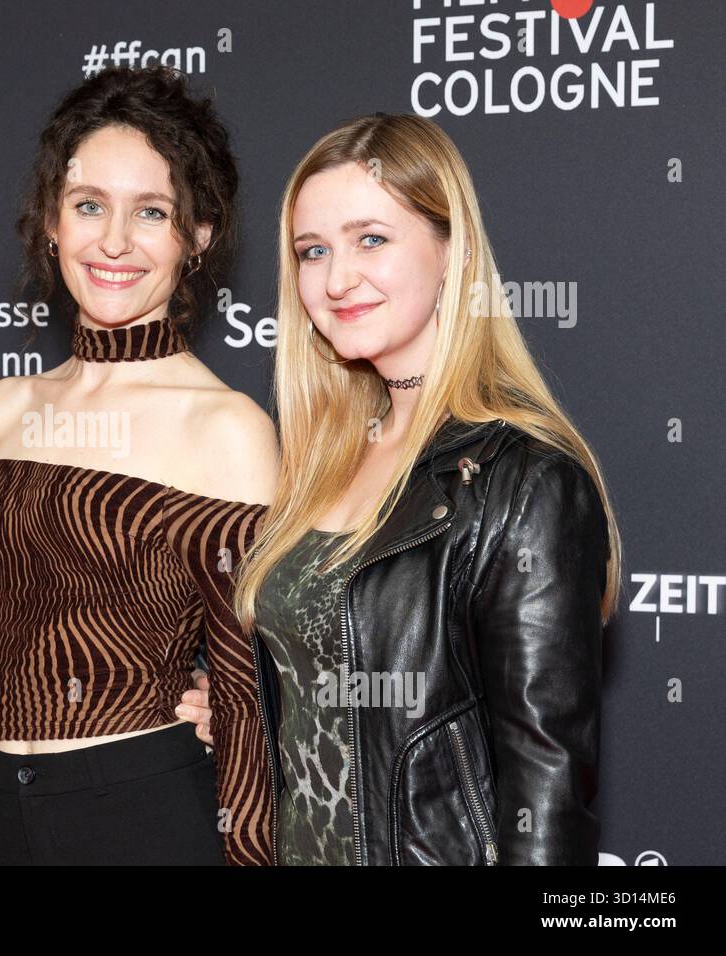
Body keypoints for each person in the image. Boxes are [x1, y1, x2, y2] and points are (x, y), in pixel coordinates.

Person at [232, 112, 621, 865]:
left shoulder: (527, 480)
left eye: (370, 239)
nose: (337, 278)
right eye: (314, 251)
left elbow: (547, 797)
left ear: (452, 253)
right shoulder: (321, 462)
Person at [0, 66, 280, 866]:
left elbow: (243, 705)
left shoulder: (229, 430)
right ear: (52, 220)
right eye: (89, 206)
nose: (114, 242)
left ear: (198, 237)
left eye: (151, 212)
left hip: (146, 813)